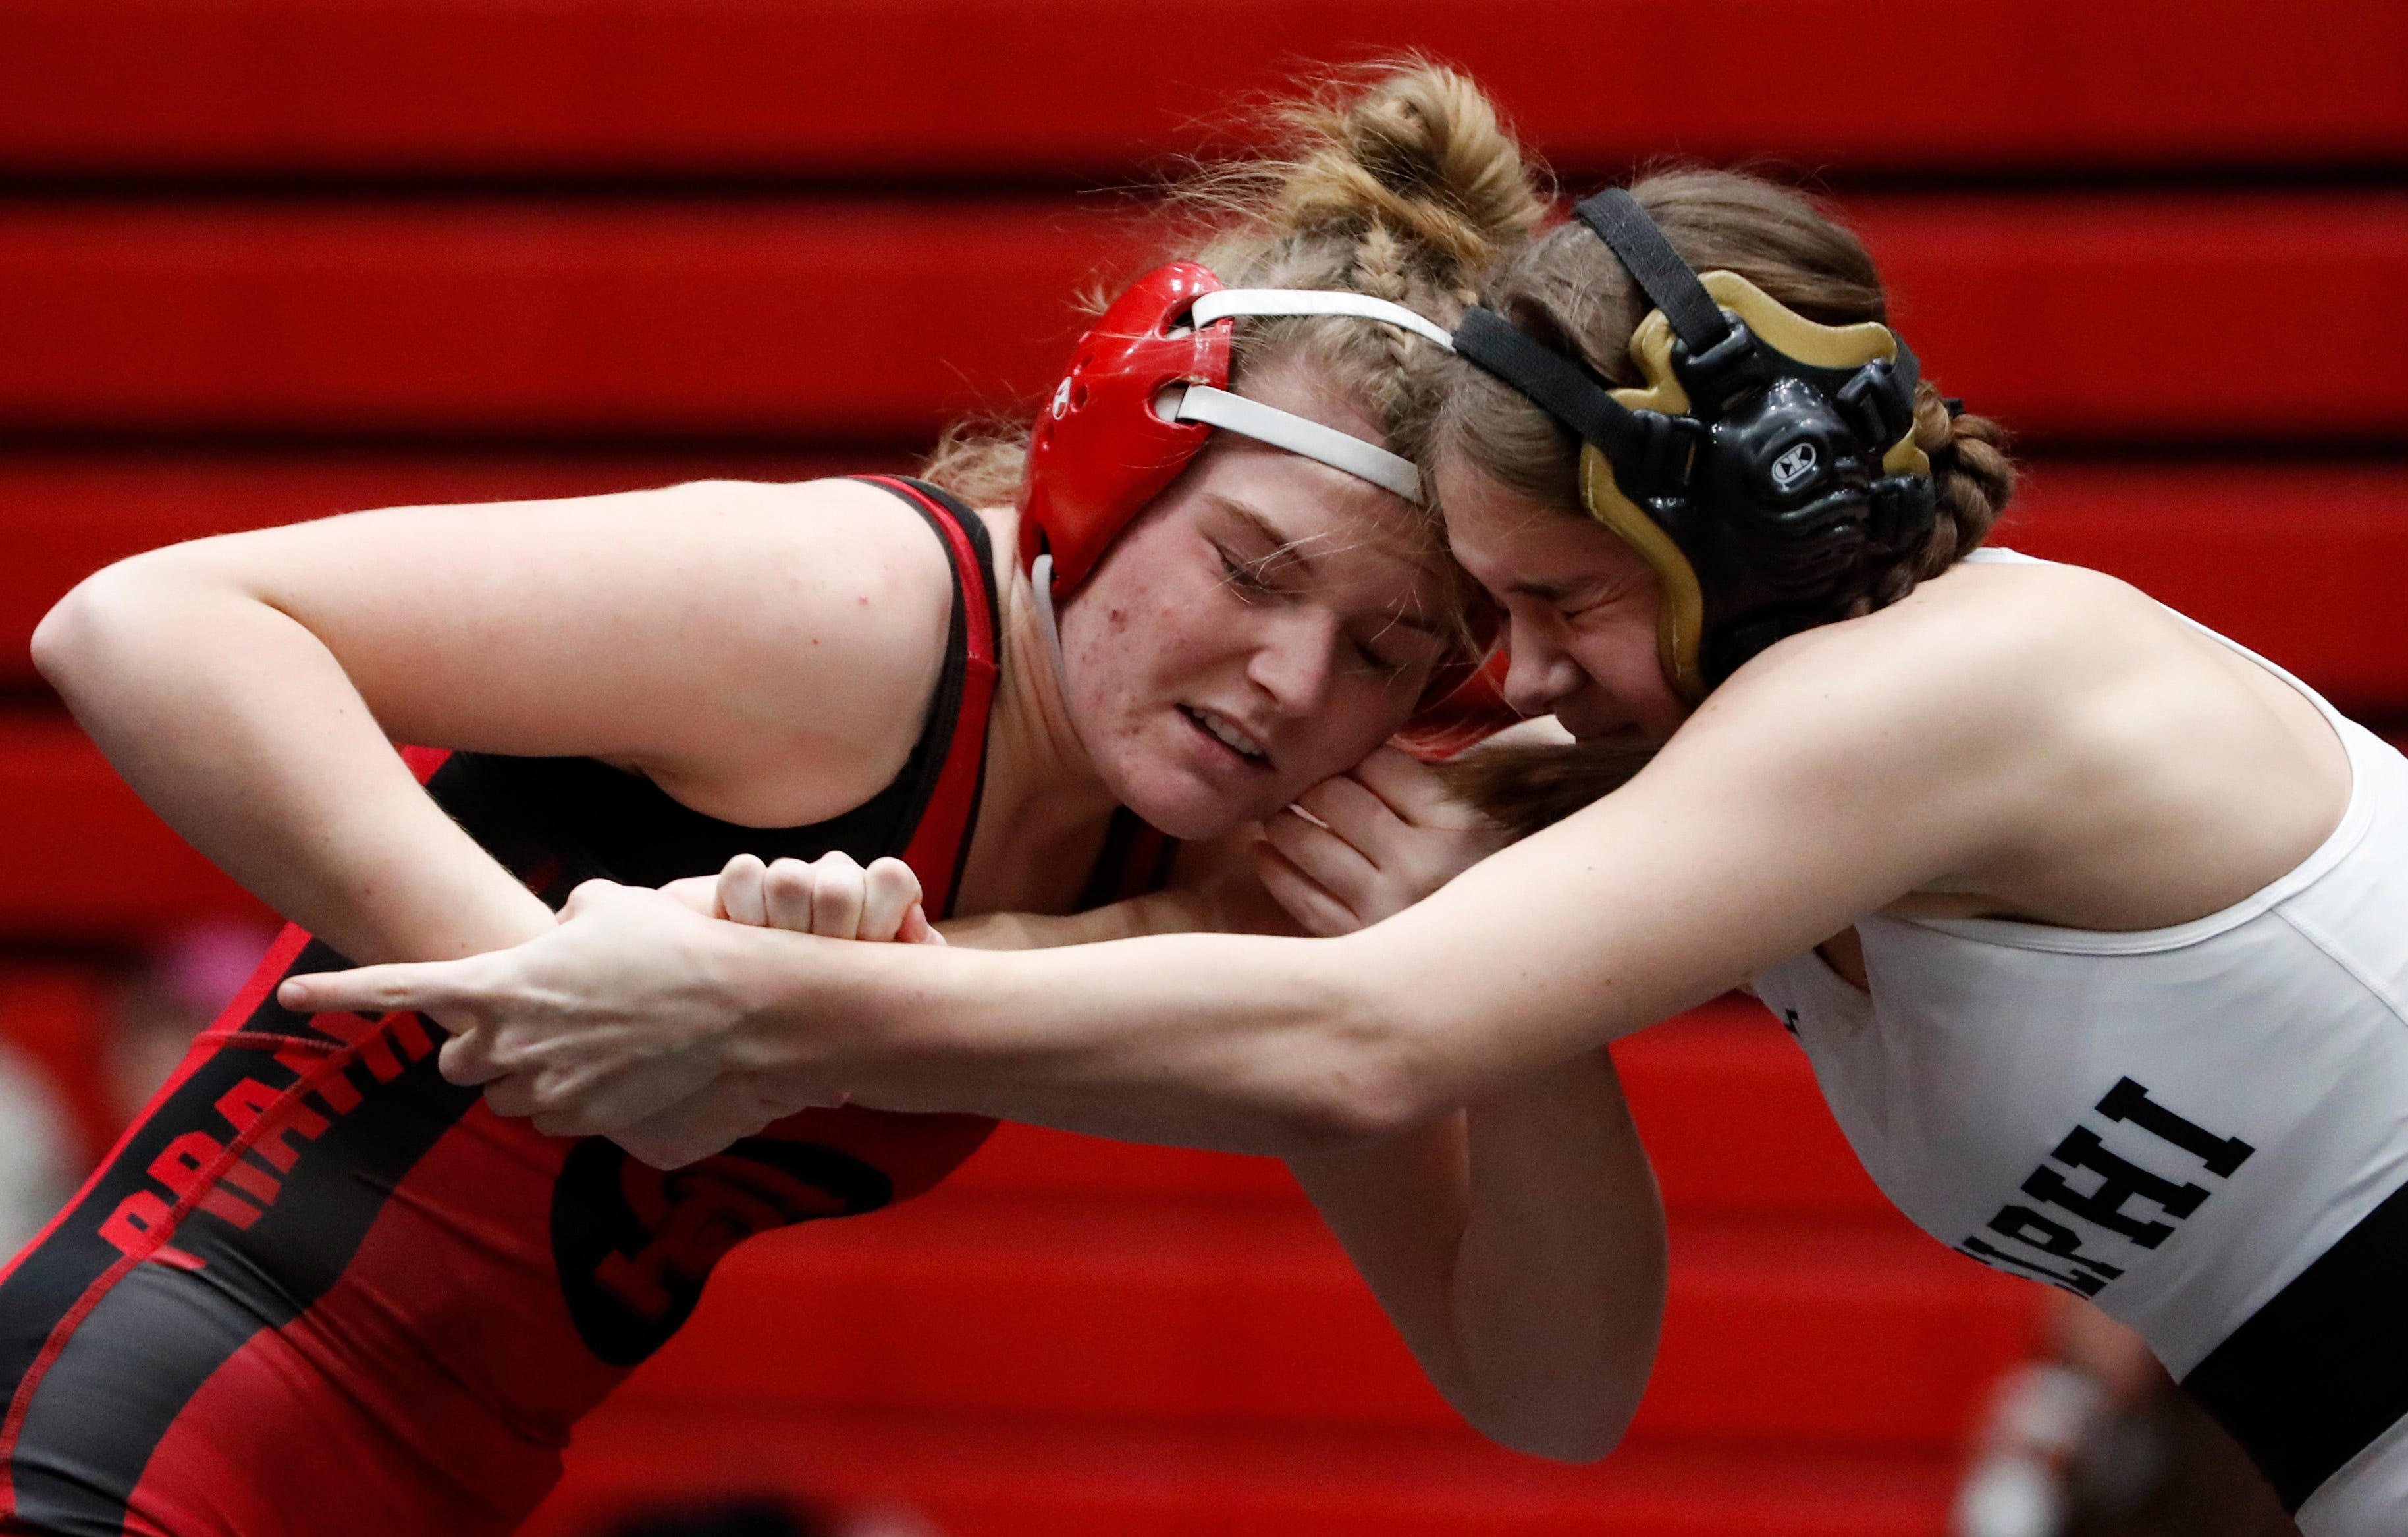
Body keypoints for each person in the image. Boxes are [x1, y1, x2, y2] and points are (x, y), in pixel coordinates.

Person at [299, 167, 2408, 1535]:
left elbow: (1354, 1032)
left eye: (1561, 609)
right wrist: (831, 975)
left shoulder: (1942, 689)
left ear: (1741, 531)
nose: (1540, 684)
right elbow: (1237, 986)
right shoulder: (1756, 772)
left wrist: (759, 1005)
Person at [0, 65, 1549, 1537]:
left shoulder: (1220, 834)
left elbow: (1539, 1379)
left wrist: (1532, 954)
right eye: (1248, 570)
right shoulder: (863, 618)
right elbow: (143, 622)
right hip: (135, 1421)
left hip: (434, 1486)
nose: (1289, 678)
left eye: (1384, 649)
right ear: (1102, 473)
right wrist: (569, 1001)